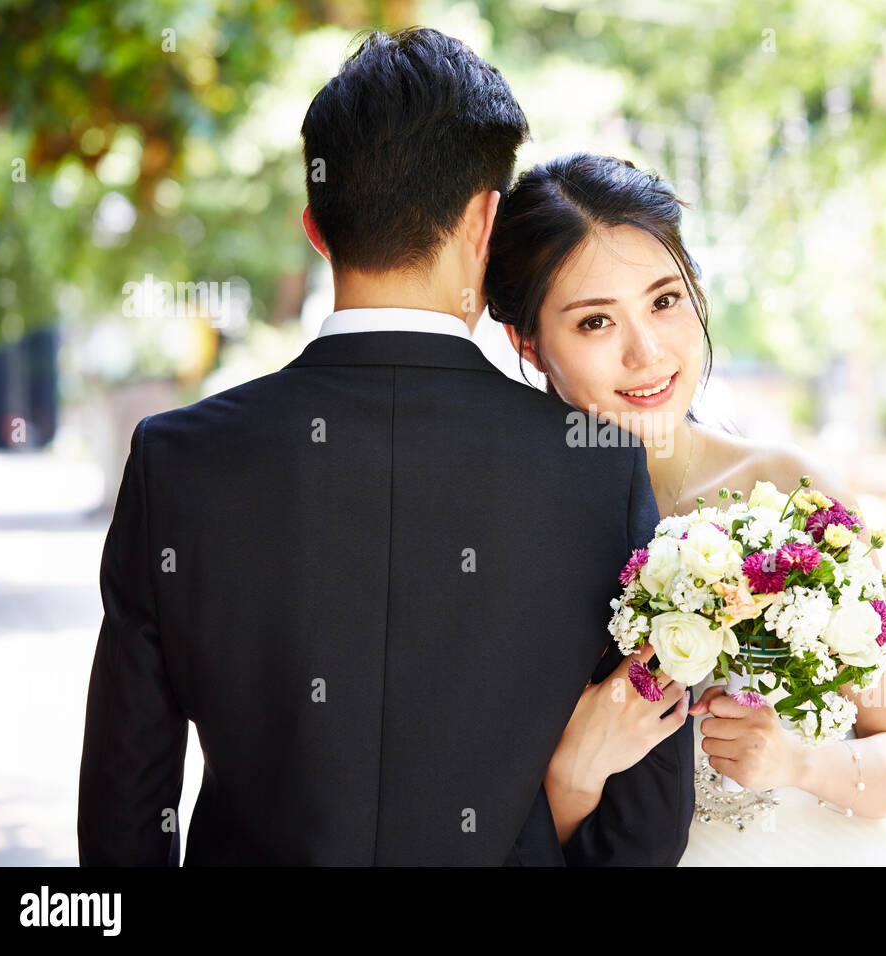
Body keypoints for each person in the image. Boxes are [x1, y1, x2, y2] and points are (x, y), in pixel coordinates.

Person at [77, 29, 692, 866]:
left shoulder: (177, 461)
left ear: (316, 229)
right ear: (486, 220)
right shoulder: (599, 467)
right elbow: (648, 821)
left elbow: (123, 811)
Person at [486, 152, 886, 865]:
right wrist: (576, 768)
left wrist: (798, 763)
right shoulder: (510, 537)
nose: (648, 353)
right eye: (596, 322)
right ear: (529, 344)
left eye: (664, 300)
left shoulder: (796, 493)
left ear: (696, 292)